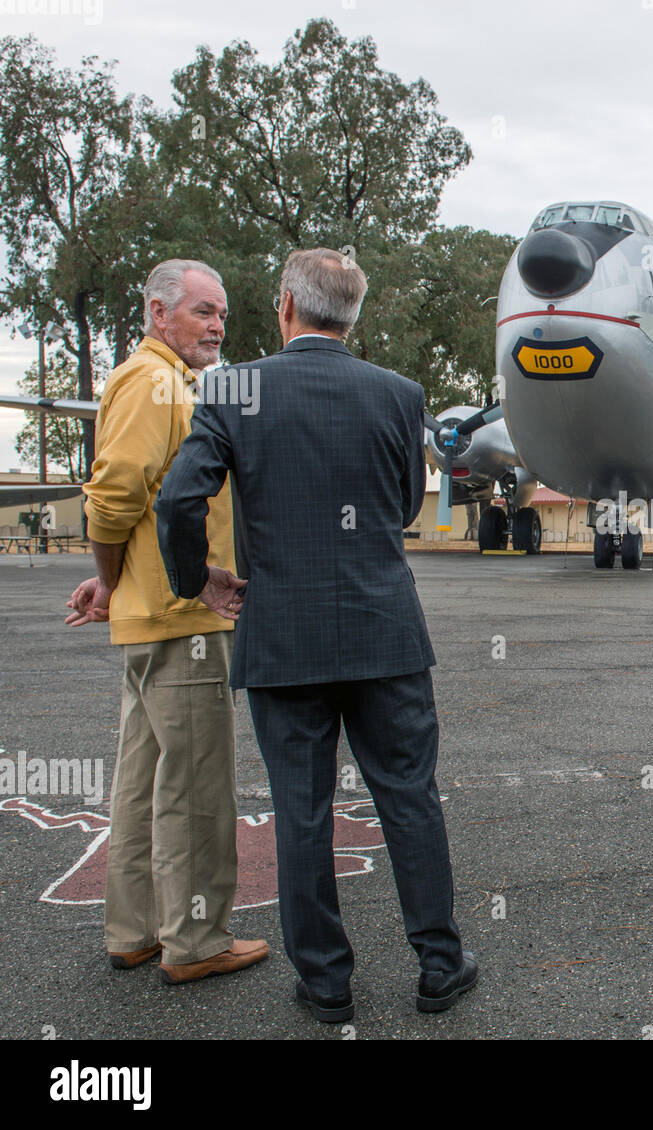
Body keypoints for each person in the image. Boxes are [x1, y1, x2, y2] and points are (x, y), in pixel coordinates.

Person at [154, 248, 475, 1022]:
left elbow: (177, 501)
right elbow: (401, 503)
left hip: (283, 635)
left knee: (301, 811)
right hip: (384, 632)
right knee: (409, 797)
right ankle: (439, 962)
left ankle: (326, 982)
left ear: (286, 307)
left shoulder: (232, 387)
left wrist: (196, 578)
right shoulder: (399, 394)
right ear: (350, 314)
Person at [69, 259, 268, 982]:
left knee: (144, 782)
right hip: (182, 618)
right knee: (195, 790)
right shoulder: (155, 384)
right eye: (201, 312)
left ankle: (135, 930)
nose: (217, 326)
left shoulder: (167, 381)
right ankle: (195, 941)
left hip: (153, 613)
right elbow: (114, 497)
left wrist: (110, 581)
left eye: (221, 314)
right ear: (158, 314)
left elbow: (134, 504)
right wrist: (114, 576)